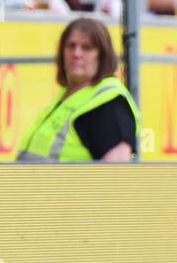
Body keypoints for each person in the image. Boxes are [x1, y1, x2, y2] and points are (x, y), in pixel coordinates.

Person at [17, 17, 138, 163]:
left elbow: (115, 174)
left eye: (86, 47)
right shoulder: (70, 96)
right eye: (71, 46)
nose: (76, 53)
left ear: (102, 55)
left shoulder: (108, 103)